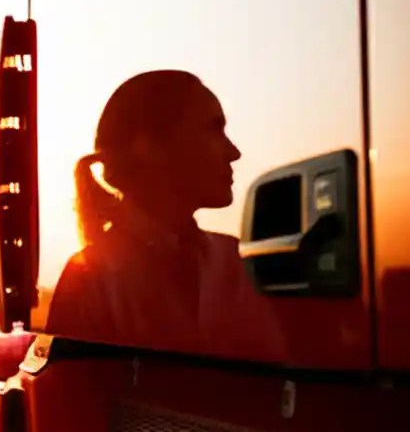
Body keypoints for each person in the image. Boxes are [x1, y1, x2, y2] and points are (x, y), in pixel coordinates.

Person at [42, 69, 287, 362]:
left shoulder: (234, 261)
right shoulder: (90, 282)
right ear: (148, 148)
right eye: (213, 129)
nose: (233, 152)